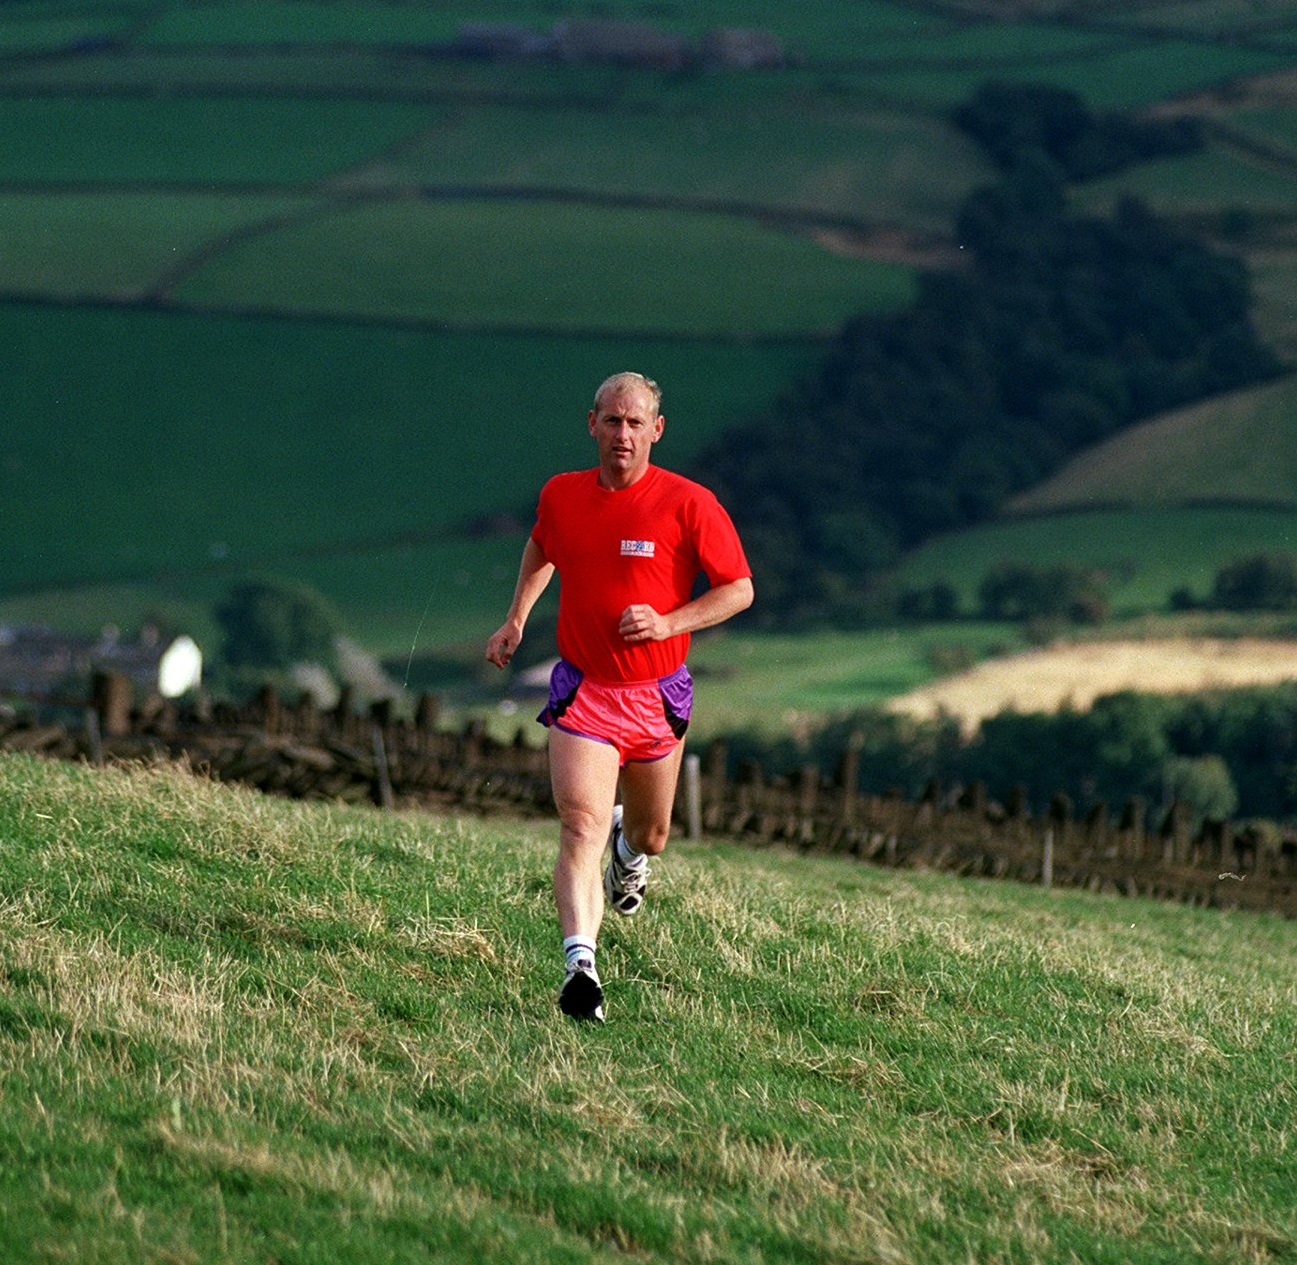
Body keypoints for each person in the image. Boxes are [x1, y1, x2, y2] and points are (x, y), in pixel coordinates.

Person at [485, 372, 754, 1022]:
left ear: (656, 430)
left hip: (656, 694)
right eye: (612, 421)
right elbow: (543, 545)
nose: (622, 435)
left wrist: (667, 623)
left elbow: (738, 588)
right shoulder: (562, 494)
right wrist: (517, 616)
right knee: (578, 826)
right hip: (584, 690)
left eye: (635, 424)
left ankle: (628, 855)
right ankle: (581, 966)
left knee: (652, 833)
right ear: (592, 424)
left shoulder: (689, 503)